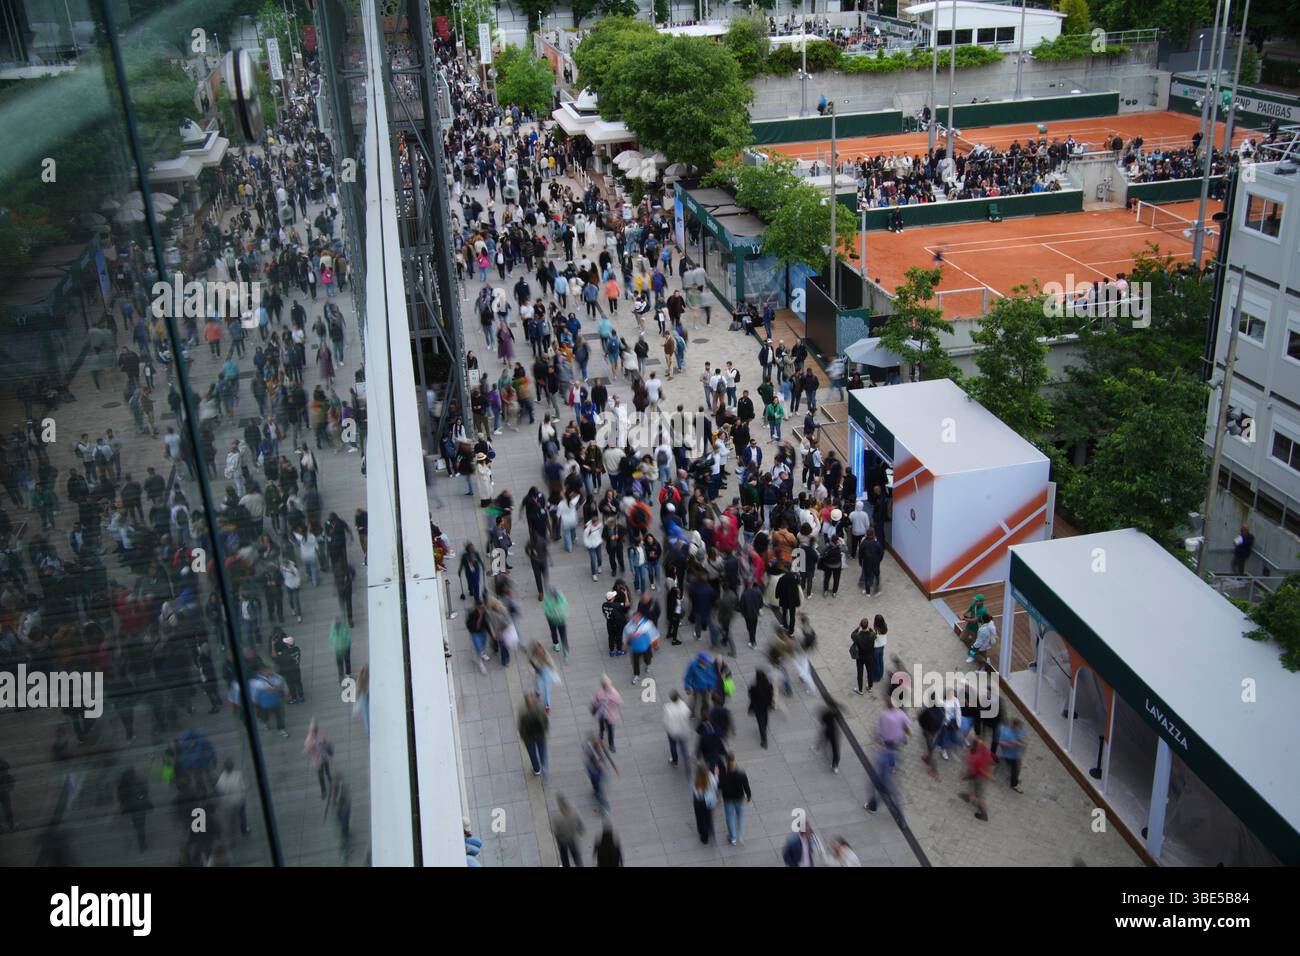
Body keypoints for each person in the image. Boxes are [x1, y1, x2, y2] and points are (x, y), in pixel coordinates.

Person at [718, 753, 753, 846]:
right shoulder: (741, 774)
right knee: (740, 816)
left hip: (728, 799)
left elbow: (719, 787)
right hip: (739, 798)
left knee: (730, 817)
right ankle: (740, 835)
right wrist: (749, 796)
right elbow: (746, 786)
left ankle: (733, 838)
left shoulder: (723, 775)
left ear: (726, 762)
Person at [961, 736, 995, 822]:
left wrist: (964, 778)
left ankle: (984, 815)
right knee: (973, 788)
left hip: (979, 777)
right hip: (981, 776)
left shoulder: (976, 758)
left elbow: (975, 772)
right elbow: (990, 761)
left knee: (980, 797)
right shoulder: (984, 748)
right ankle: (970, 797)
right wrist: (990, 774)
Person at [584, 733, 617, 815]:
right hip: (594, 773)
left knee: (601, 792)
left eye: (601, 747)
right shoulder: (592, 753)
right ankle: (596, 793)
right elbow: (589, 761)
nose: (600, 749)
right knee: (597, 789)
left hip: (598, 774)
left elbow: (608, 757)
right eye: (599, 747)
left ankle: (605, 807)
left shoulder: (600, 750)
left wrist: (614, 767)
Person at [518, 691, 550, 777]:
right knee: (542, 750)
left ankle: (537, 769)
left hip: (529, 736)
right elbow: (545, 721)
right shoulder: (539, 709)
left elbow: (521, 726)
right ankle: (543, 765)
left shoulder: (523, 712)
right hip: (540, 734)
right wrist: (545, 731)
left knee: (532, 753)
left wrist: (523, 736)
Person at [690, 761, 720, 845]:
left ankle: (704, 836)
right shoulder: (710, 776)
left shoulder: (696, 779)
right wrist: (716, 774)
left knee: (700, 818)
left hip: (699, 801)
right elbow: (715, 785)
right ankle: (709, 828)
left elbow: (694, 791)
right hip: (710, 801)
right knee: (708, 816)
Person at [591, 675, 623, 752]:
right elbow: (595, 701)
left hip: (610, 715)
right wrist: (596, 705)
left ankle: (611, 744)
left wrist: (611, 702)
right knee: (601, 723)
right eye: (605, 684)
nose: (607, 686)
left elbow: (619, 701)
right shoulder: (599, 692)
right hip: (601, 713)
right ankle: (601, 732)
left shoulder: (614, 693)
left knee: (610, 730)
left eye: (608, 684)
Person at [664, 690, 693, 769]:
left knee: (673, 746)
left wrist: (667, 728)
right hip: (683, 729)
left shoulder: (668, 707)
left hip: (673, 731)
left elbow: (666, 720)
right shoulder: (684, 705)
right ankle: (686, 757)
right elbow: (688, 715)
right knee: (683, 744)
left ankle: (675, 760)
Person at [747, 669, 775, 748]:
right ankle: (764, 730)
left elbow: (750, 695)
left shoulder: (754, 687)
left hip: (757, 707)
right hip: (766, 706)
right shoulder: (769, 685)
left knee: (760, 722)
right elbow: (771, 695)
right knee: (765, 718)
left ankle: (764, 739)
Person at [554, 795, 585, 867]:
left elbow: (556, 832)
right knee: (576, 855)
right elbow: (581, 828)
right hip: (572, 839)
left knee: (564, 856)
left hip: (562, 841)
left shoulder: (558, 819)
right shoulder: (575, 814)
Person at [813, 699, 842, 773]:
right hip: (833, 732)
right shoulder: (835, 713)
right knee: (834, 748)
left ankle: (817, 748)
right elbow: (838, 719)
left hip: (828, 731)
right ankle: (835, 765)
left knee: (824, 740)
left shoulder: (826, 713)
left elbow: (822, 721)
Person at [1000, 717, 1027, 793]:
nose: (1019, 729)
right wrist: (1012, 744)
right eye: (1017, 727)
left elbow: (1023, 741)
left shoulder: (1019, 730)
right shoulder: (1004, 731)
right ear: (1013, 725)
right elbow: (1001, 743)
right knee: (1015, 770)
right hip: (1008, 755)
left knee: (1014, 769)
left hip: (1016, 755)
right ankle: (1014, 785)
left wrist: (1020, 743)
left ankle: (1012, 778)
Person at [850, 618, 874, 695]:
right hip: (869, 657)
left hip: (860, 657)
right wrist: (870, 629)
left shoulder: (857, 636)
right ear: (867, 625)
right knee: (870, 672)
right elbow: (874, 633)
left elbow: (852, 634)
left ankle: (860, 690)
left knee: (860, 673)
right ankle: (870, 687)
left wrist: (858, 628)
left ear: (861, 625)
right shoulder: (872, 635)